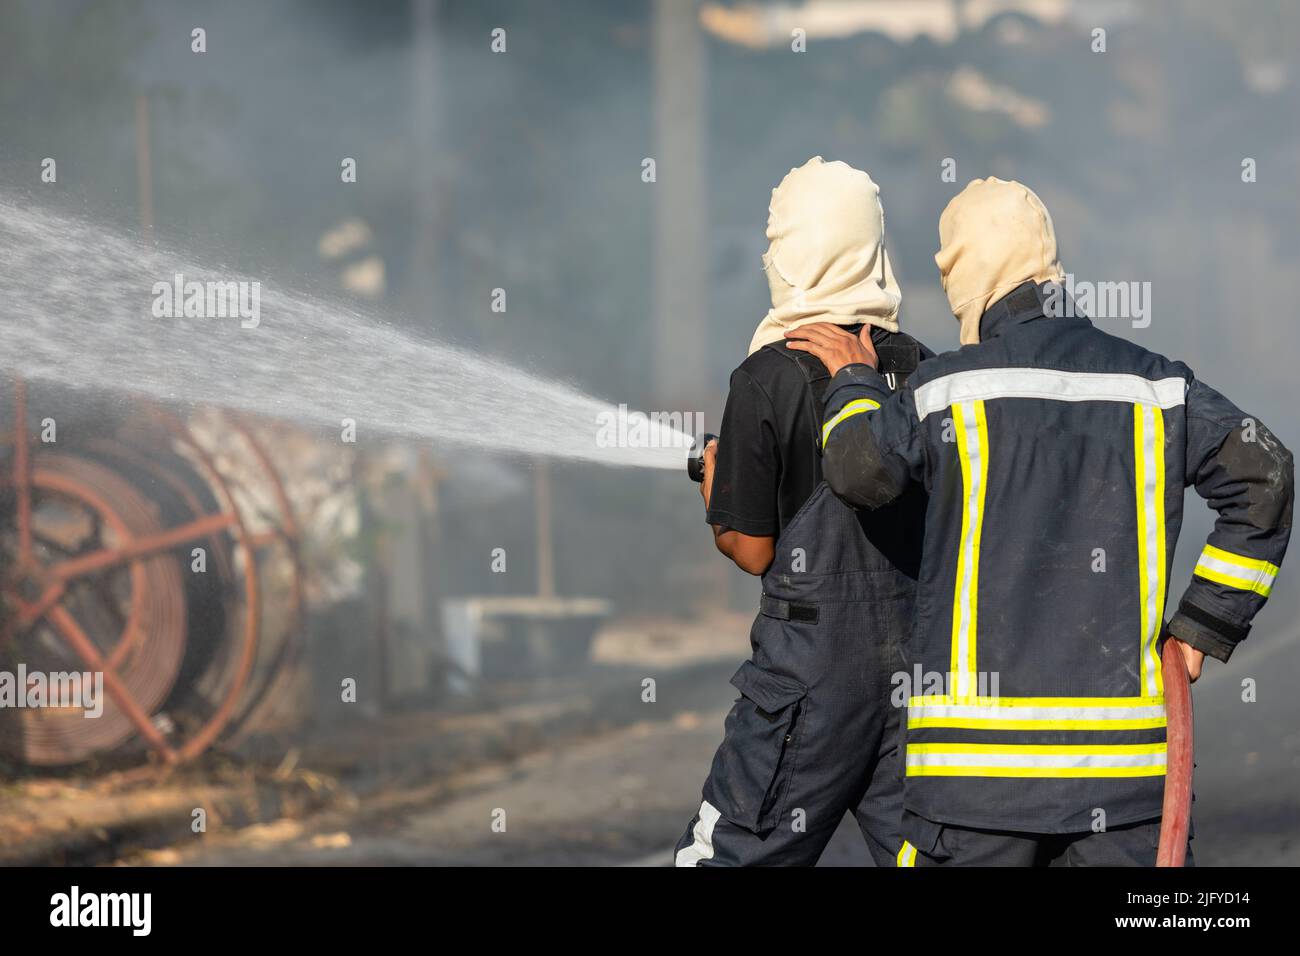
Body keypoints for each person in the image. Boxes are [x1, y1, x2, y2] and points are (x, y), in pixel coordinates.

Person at [804, 177, 1294, 866]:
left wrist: (853, 383)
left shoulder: (946, 391)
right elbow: (1265, 476)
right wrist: (1201, 626)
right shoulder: (1155, 387)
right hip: (1124, 793)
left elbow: (857, 470)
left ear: (966, 273)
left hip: (972, 798)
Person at [675, 157, 931, 866]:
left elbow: (753, 549)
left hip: (807, 690)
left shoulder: (766, 379)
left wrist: (716, 498)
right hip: (920, 683)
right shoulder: (921, 368)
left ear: (789, 252)